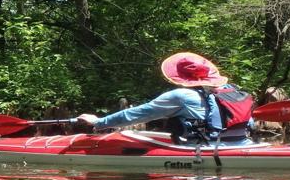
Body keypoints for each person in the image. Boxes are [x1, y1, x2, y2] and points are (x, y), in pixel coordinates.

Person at [77, 53, 253, 144]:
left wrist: (98, 122)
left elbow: (138, 114)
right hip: (242, 144)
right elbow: (248, 123)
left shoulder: (181, 96)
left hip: (205, 150)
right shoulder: (230, 91)